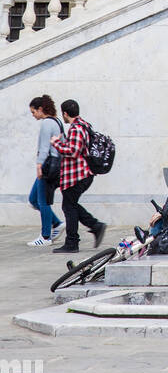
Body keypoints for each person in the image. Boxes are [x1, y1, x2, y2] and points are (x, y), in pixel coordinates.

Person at [50, 99, 106, 254]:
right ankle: (95, 227)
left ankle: (72, 243)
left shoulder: (76, 128)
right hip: (81, 174)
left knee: (69, 207)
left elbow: (73, 151)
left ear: (65, 113)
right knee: (71, 205)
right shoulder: (85, 125)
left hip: (76, 175)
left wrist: (56, 143)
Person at [27, 95, 64, 247]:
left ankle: (45, 235)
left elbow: (44, 148)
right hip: (55, 165)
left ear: (40, 109)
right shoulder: (57, 121)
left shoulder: (47, 123)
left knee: (42, 201)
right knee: (34, 199)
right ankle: (57, 224)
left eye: (33, 112)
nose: (33, 115)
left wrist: (38, 166)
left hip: (47, 166)